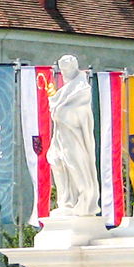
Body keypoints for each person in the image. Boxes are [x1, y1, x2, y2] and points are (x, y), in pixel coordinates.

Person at [46, 56, 100, 217]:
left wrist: (60, 111)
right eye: (62, 71)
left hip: (74, 136)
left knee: (75, 166)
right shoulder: (66, 89)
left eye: (66, 70)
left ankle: (82, 200)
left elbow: (79, 111)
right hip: (60, 135)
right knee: (56, 162)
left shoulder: (82, 88)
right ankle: (66, 201)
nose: (64, 74)